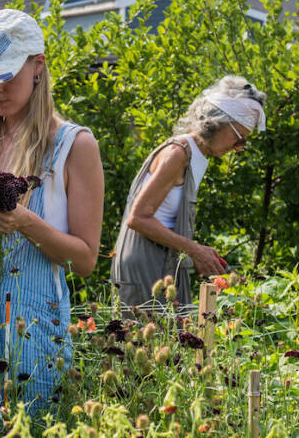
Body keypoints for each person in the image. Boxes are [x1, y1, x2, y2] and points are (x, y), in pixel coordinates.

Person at [0, 9, 104, 419]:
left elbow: (85, 261)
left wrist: (27, 223)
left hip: (33, 331)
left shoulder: (73, 146)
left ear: (37, 66)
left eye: (6, 76)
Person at [110, 76, 266, 309]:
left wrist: (202, 254)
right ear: (218, 122)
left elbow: (166, 220)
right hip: (143, 268)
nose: (240, 148)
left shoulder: (196, 155)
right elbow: (138, 218)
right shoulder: (177, 154)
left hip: (164, 264)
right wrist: (193, 249)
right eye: (239, 137)